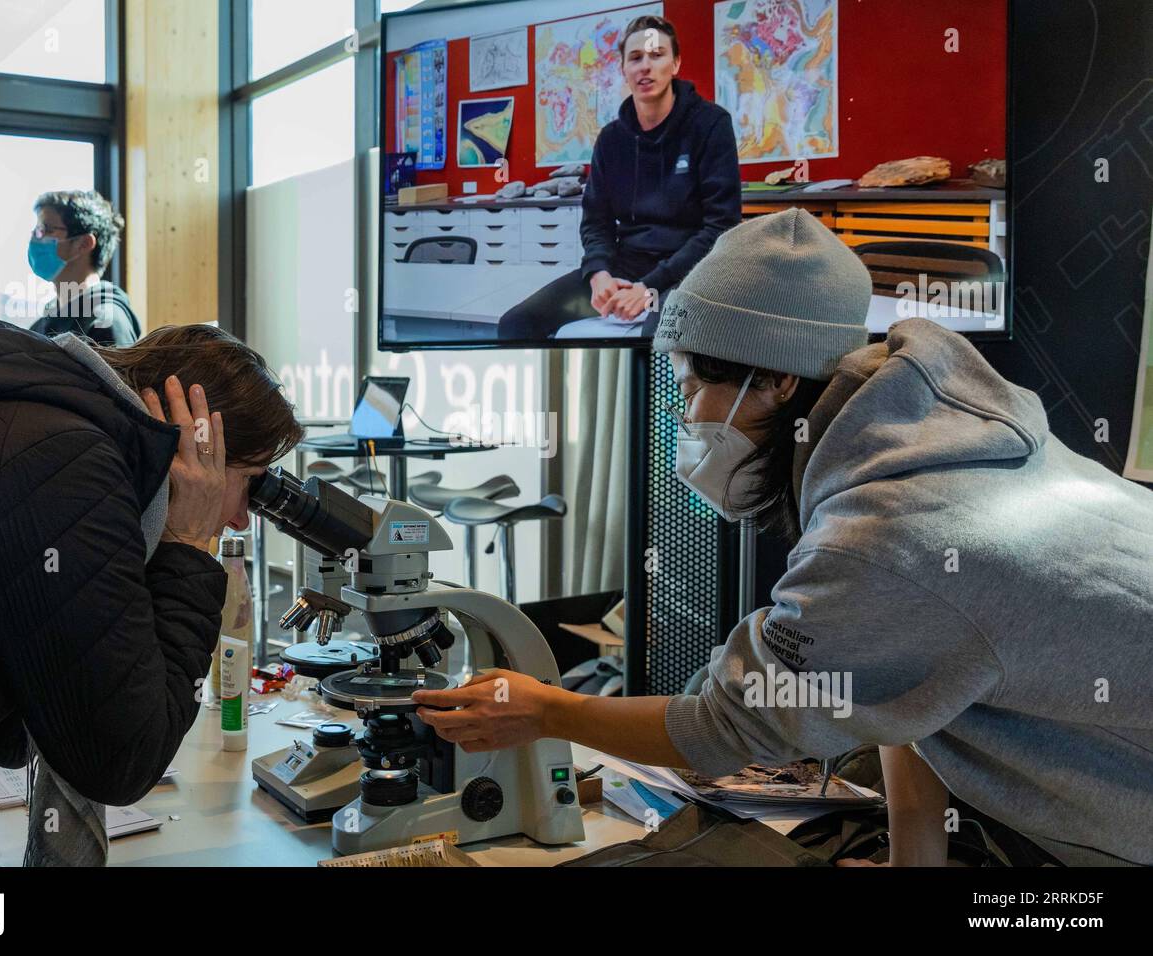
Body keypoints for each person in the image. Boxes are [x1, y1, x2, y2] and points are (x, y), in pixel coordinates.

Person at [413, 208, 1153, 866]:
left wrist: (546, 709)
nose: (687, 413)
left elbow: (721, 727)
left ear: (775, 383)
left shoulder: (887, 532)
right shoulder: (940, 434)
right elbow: (909, 687)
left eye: (691, 386)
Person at [0, 318, 303, 865]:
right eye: (248, 483)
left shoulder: (33, 402)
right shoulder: (70, 463)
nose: (236, 520)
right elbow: (120, 759)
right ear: (197, 445)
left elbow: (18, 731)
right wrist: (185, 544)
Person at [496, 15, 741, 342]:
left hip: (685, 276)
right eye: (636, 58)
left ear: (676, 63)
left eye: (657, 55)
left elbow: (720, 228)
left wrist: (647, 288)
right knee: (517, 324)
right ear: (623, 69)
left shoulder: (710, 125)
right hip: (625, 269)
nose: (646, 66)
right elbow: (595, 220)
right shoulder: (612, 140)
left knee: (657, 335)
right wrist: (598, 273)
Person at [28, 189, 140, 346]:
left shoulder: (106, 322)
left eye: (46, 229)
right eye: (36, 230)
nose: (35, 237)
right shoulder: (40, 328)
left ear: (84, 244)